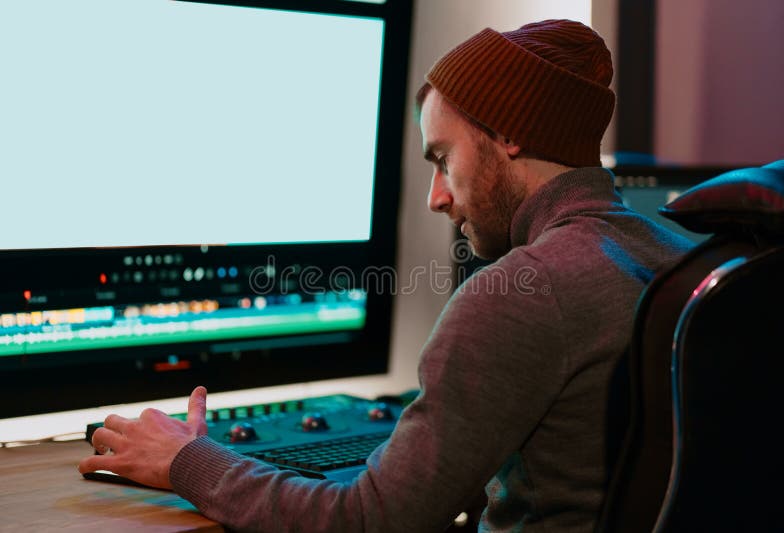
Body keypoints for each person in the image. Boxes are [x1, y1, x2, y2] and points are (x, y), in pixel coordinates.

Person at [79, 19, 694, 532]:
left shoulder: (524, 292)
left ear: (509, 134)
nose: (436, 197)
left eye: (443, 158)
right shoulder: (680, 257)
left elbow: (371, 519)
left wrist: (188, 460)